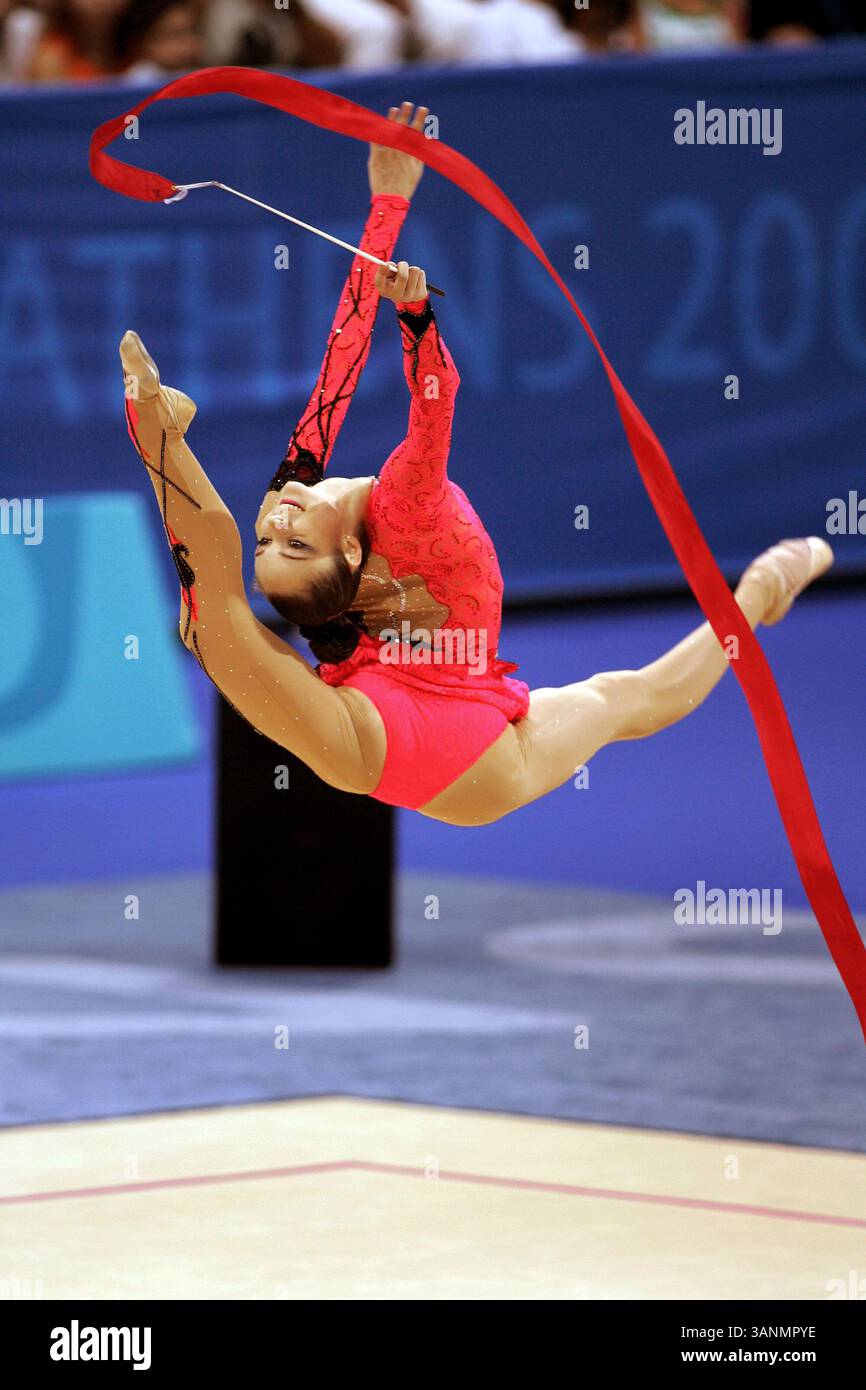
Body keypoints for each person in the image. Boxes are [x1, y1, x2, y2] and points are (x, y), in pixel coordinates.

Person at [119, 103, 833, 825]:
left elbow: (341, 355)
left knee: (627, 699)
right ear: (352, 551)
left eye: (270, 541)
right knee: (215, 622)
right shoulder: (404, 499)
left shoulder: (294, 498)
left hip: (433, 690)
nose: (276, 522)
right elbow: (436, 397)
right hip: (445, 757)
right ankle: (158, 443)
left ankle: (757, 595)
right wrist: (420, 317)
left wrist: (389, 203)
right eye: (292, 544)